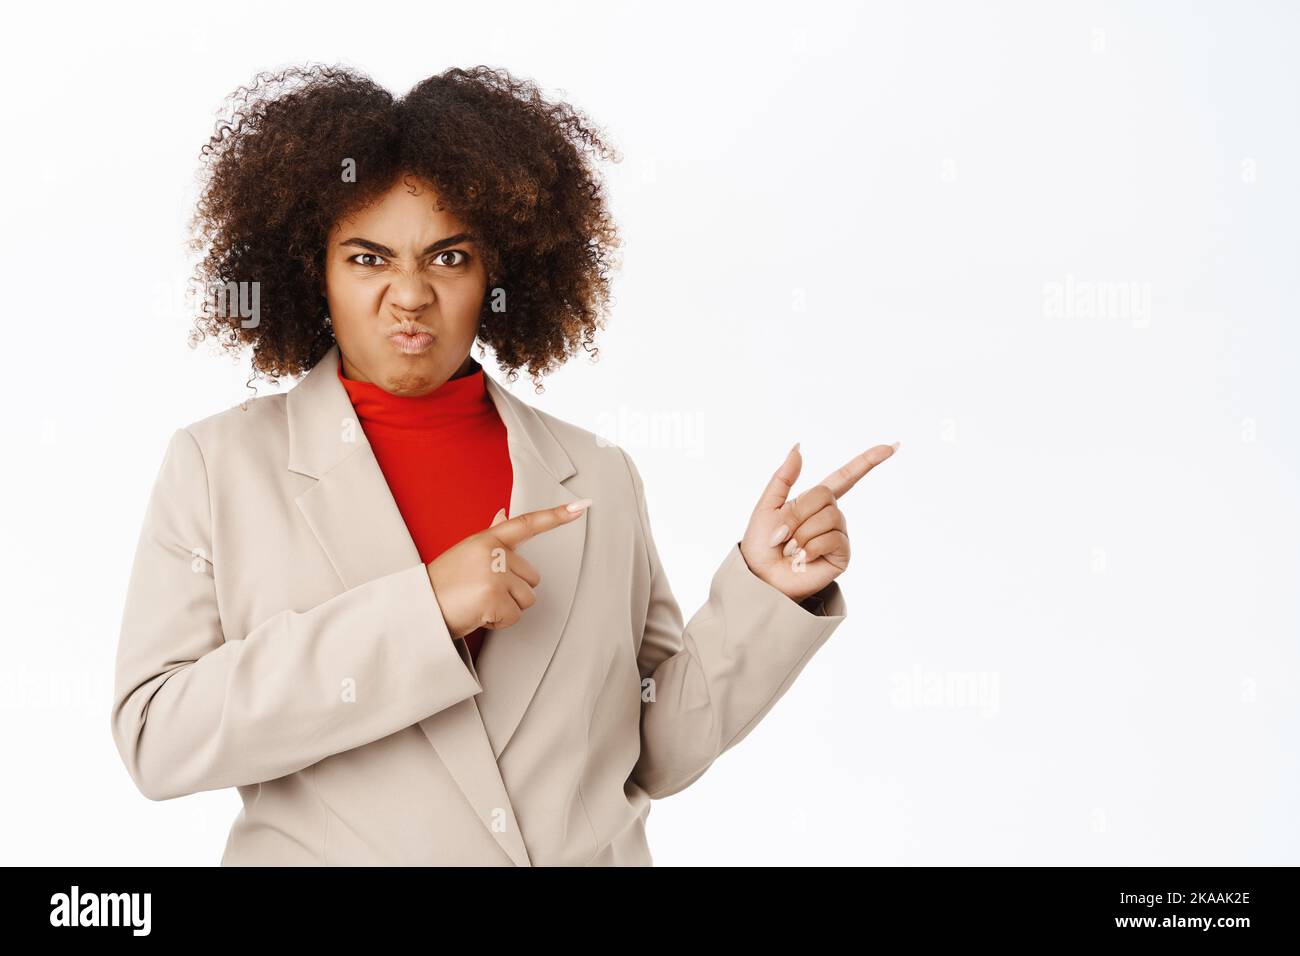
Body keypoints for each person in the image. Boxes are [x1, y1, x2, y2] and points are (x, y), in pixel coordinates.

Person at [110, 64, 897, 865]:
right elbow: (158, 737)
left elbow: (657, 749)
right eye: (368, 258)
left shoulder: (597, 474)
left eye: (448, 258)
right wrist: (425, 611)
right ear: (313, 272)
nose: (410, 294)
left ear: (498, 273)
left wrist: (766, 595)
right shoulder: (219, 466)